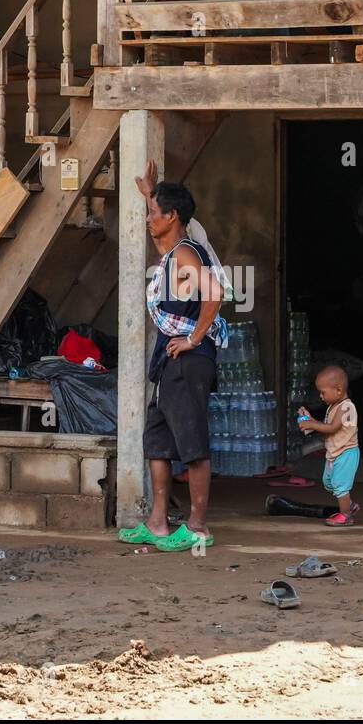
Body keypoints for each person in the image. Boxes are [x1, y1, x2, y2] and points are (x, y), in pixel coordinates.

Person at [117, 166, 228, 553]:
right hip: (169, 362)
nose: (149, 219)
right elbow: (163, 218)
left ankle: (198, 526)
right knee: (158, 440)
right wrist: (151, 192)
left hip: (188, 360)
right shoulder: (173, 248)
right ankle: (158, 524)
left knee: (192, 442)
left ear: (173, 218)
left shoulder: (184, 254)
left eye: (154, 213)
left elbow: (214, 294)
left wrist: (194, 338)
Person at [298, 365, 360, 527]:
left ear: (338, 390)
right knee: (329, 482)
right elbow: (327, 429)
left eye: (323, 392)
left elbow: (332, 428)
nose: (320, 396)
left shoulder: (347, 407)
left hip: (346, 453)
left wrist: (312, 423)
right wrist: (309, 422)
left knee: (340, 484)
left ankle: (346, 515)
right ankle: (350, 505)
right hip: (335, 453)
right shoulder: (334, 407)